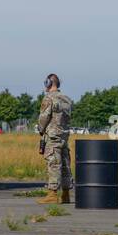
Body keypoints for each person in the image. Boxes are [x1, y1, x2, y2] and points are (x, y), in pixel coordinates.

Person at [37, 73, 73, 205]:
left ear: (48, 83)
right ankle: (66, 194)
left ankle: (52, 194)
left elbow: (44, 118)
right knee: (65, 163)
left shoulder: (49, 98)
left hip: (52, 135)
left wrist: (41, 130)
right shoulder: (67, 99)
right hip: (64, 135)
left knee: (53, 163)